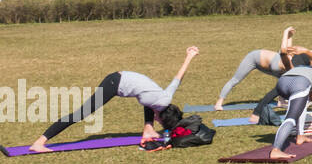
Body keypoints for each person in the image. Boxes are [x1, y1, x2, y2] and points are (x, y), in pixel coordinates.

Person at [28, 45, 200, 152]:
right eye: (160, 122)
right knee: (81, 113)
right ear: (162, 116)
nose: (158, 121)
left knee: (148, 104)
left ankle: (148, 129)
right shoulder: (156, 102)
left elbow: (178, 78)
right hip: (114, 83)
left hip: (120, 78)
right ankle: (40, 142)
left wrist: (189, 56)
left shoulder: (166, 98)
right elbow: (155, 102)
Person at [267, 45, 312, 161]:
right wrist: (306, 51)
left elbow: (287, 64)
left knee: (300, 106)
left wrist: (283, 54)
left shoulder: (299, 69)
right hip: (299, 84)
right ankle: (276, 150)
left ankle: (300, 135)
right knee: (291, 119)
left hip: (282, 84)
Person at [213, 25, 296, 110]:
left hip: (267, 66)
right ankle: (218, 103)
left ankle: (281, 101)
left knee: (284, 79)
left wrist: (289, 35)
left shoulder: (291, 65)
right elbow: (284, 48)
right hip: (253, 58)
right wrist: (286, 33)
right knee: (235, 79)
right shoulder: (286, 59)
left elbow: (287, 48)